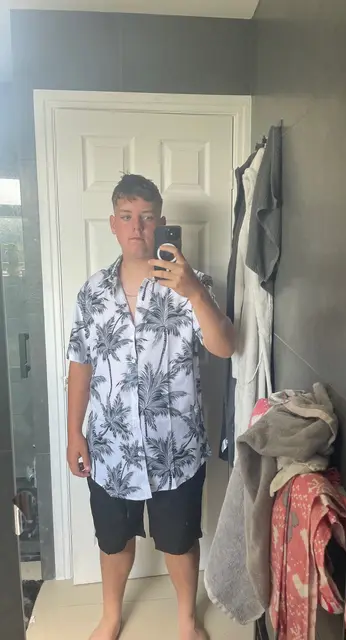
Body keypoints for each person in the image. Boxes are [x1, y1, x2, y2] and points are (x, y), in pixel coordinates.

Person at [66, 174, 235, 640]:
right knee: (113, 539)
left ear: (161, 223)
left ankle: (186, 620)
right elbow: (80, 364)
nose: (136, 227)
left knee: (179, 540)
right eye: (126, 217)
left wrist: (194, 291)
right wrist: (74, 432)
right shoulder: (91, 293)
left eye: (146, 217)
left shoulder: (192, 285)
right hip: (110, 447)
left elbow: (225, 346)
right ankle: (110, 616)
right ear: (113, 224)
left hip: (175, 448)